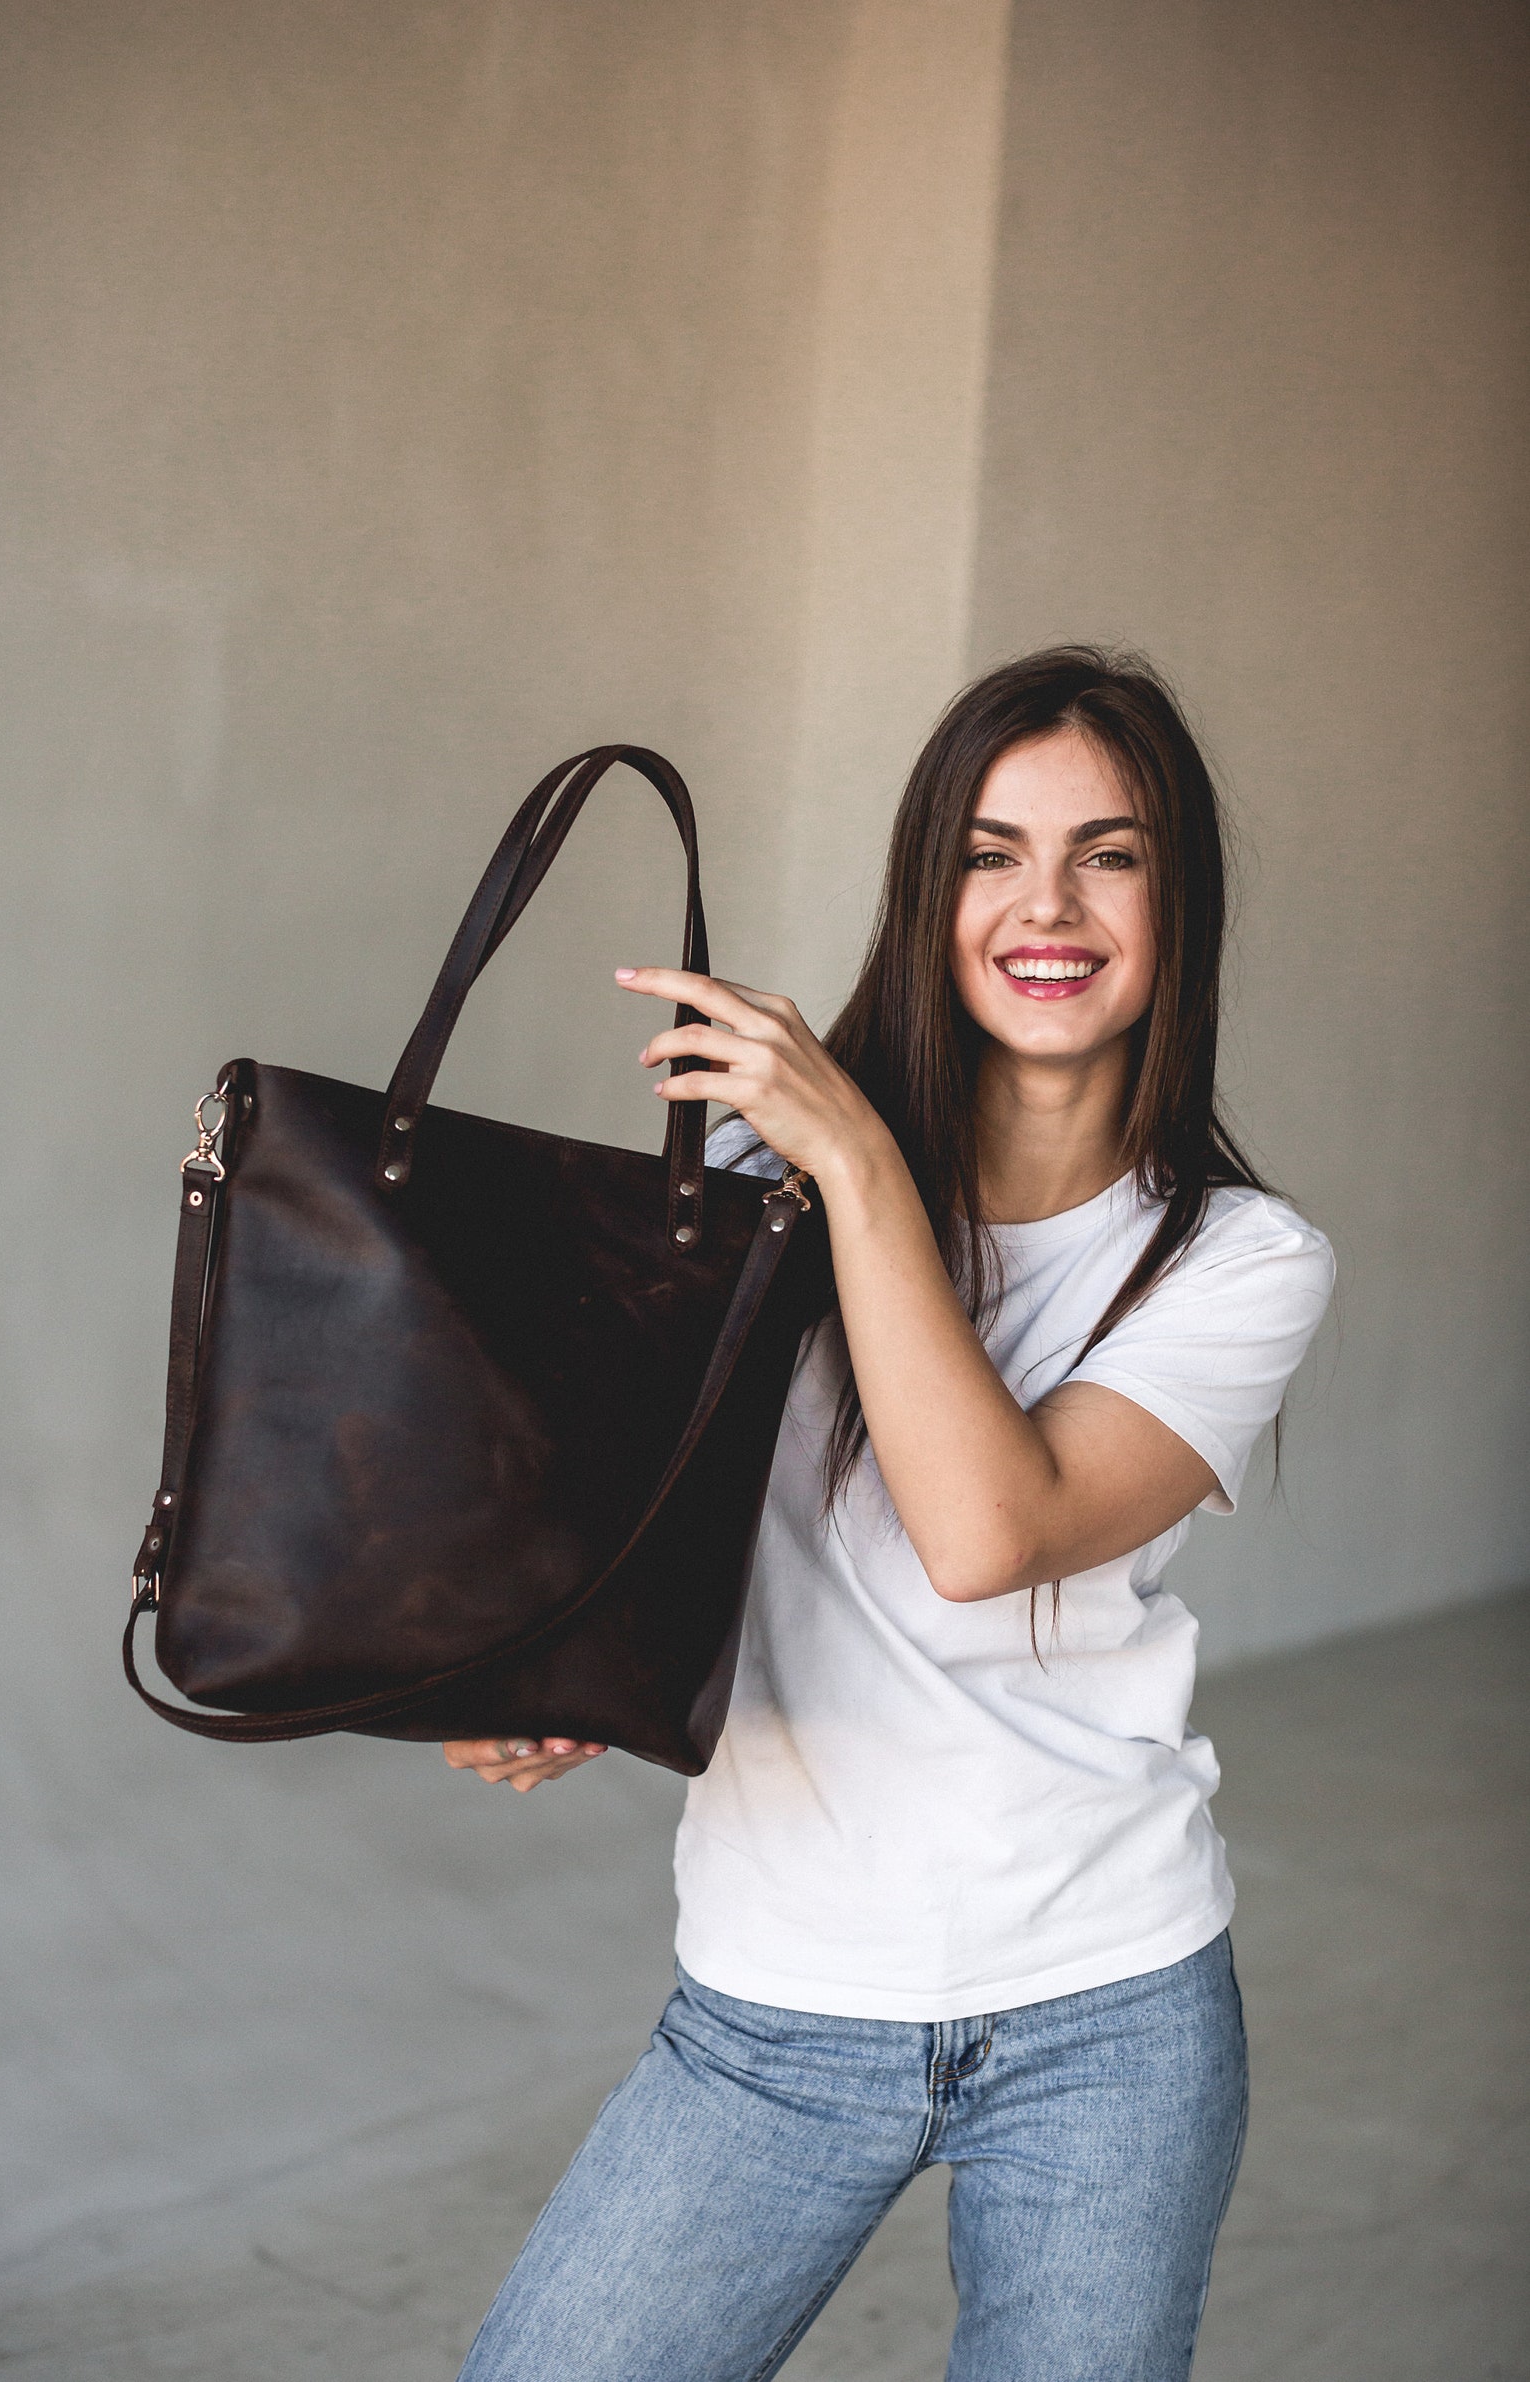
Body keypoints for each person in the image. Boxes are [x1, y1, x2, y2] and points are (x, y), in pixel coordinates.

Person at [444, 647, 1335, 2382]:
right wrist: (567, 1679)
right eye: (992, 852)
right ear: (932, 893)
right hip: (778, 1996)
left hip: (1111, 2007)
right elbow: (660, 1527)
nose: (1047, 902)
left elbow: (988, 1531)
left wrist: (855, 1161)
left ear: (1178, 902)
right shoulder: (764, 1207)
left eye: (1112, 851)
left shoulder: (1240, 1259)